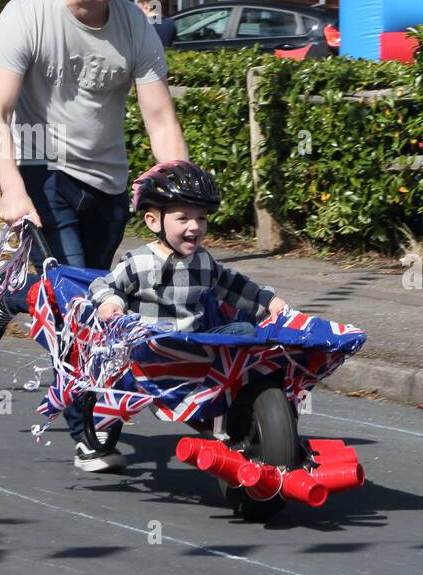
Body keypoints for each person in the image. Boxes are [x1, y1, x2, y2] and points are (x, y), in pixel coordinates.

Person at [0, 0, 189, 468]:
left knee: (96, 297)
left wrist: (179, 193)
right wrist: (12, 189)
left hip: (107, 185)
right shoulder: (28, 15)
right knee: (79, 313)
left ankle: (14, 294)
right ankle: (86, 430)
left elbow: (160, 118)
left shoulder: (134, 24)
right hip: (44, 173)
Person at [83, 161, 289, 470]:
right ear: (154, 221)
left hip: (195, 347)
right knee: (115, 372)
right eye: (183, 218)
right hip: (149, 349)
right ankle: (105, 423)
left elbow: (232, 286)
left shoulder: (203, 261)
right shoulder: (139, 262)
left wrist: (267, 301)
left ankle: (240, 411)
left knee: (246, 332)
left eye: (201, 218)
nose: (195, 226)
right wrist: (111, 302)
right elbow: (105, 284)